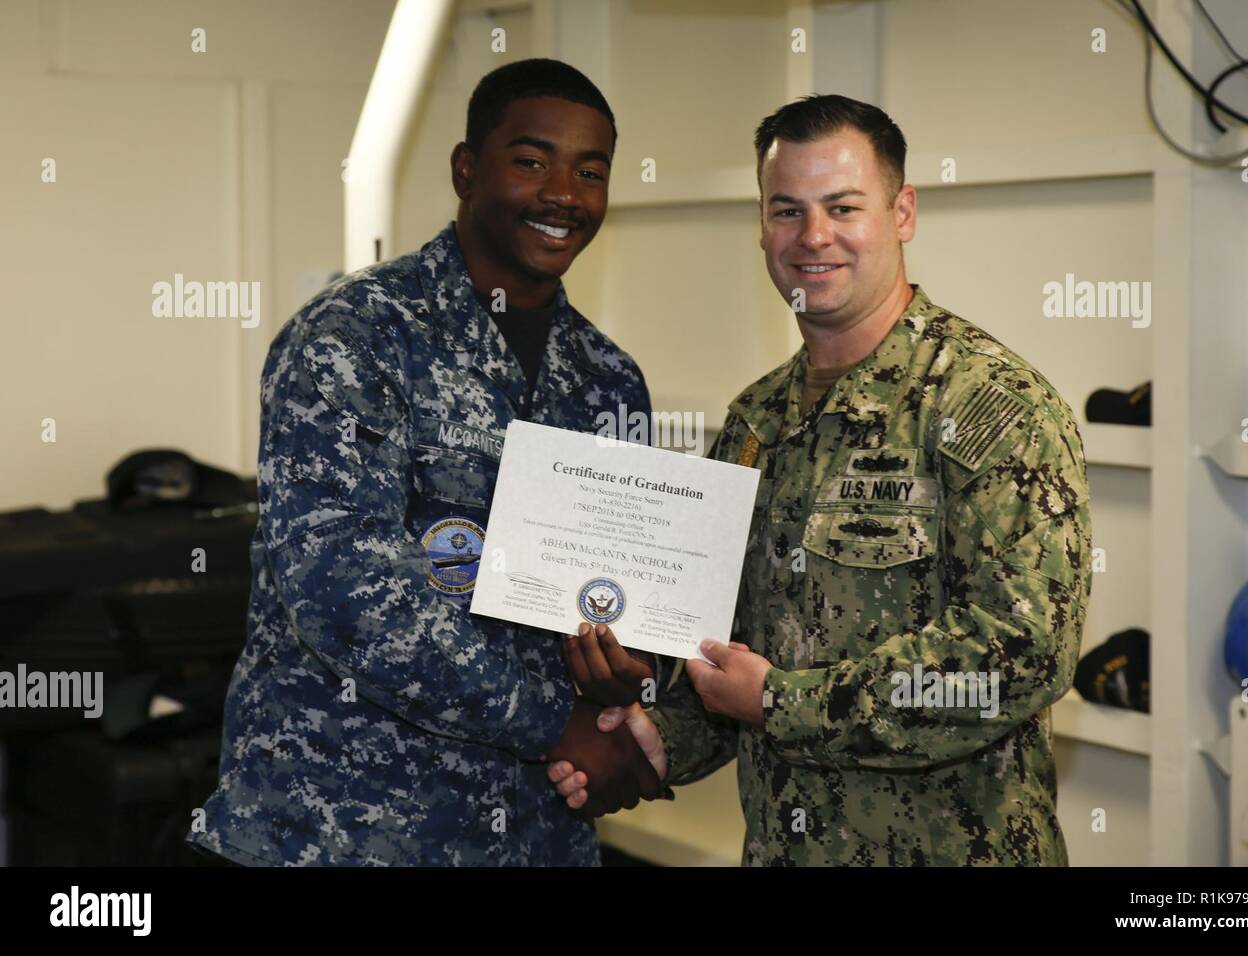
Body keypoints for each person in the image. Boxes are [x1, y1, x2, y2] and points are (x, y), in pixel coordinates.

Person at [549, 95, 1093, 866]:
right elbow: (727, 651)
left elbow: (1017, 657)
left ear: (902, 212)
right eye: (786, 210)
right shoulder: (755, 421)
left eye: (843, 207)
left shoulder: (988, 406)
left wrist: (783, 702)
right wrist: (654, 739)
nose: (813, 237)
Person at [188, 58, 661, 867]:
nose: (564, 194)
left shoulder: (608, 379)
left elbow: (621, 590)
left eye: (591, 171)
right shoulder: (355, 337)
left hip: (535, 836)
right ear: (466, 169)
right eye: (531, 160)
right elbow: (341, 585)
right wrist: (557, 722)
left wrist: (629, 684)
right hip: (343, 831)